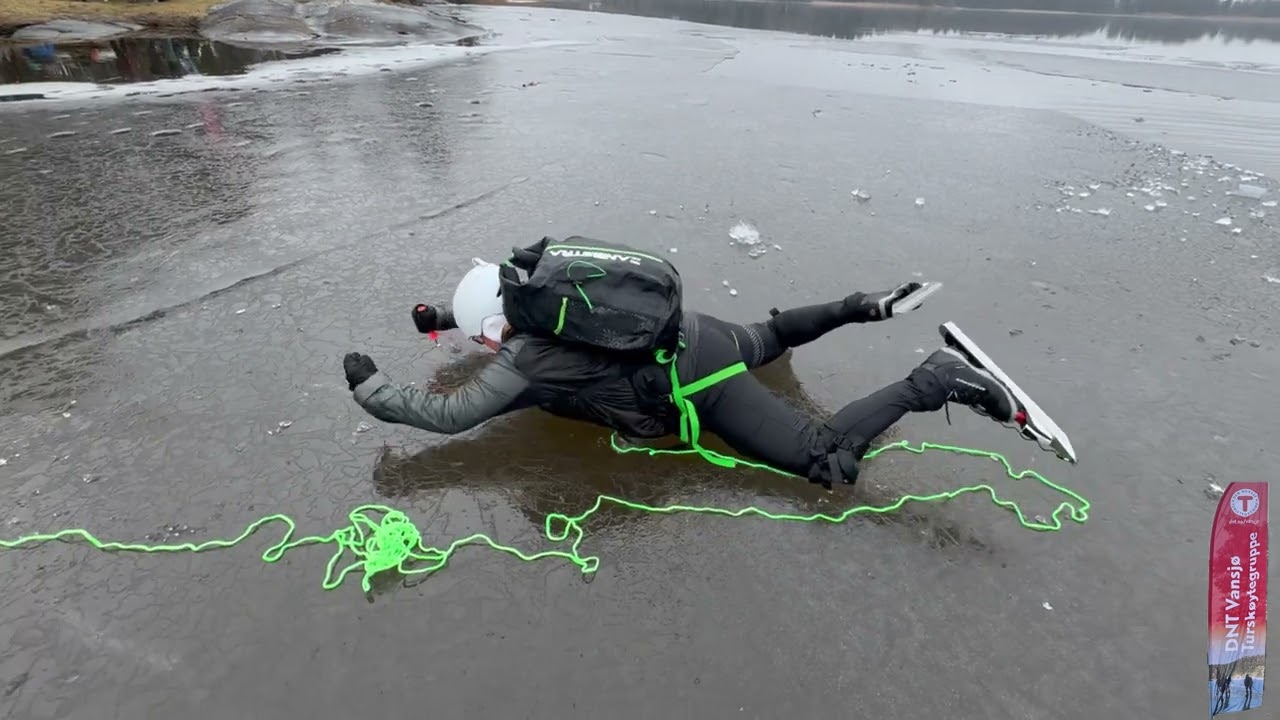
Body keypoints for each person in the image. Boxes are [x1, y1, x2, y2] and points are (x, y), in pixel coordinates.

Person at [342, 256, 1027, 489]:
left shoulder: (527, 358)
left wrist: (372, 386)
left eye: (476, 336)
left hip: (696, 381)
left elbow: (446, 416)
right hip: (696, 329)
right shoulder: (548, 289)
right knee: (769, 338)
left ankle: (934, 379)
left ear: (497, 330)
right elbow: (480, 300)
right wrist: (435, 316)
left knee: (827, 464)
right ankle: (861, 305)